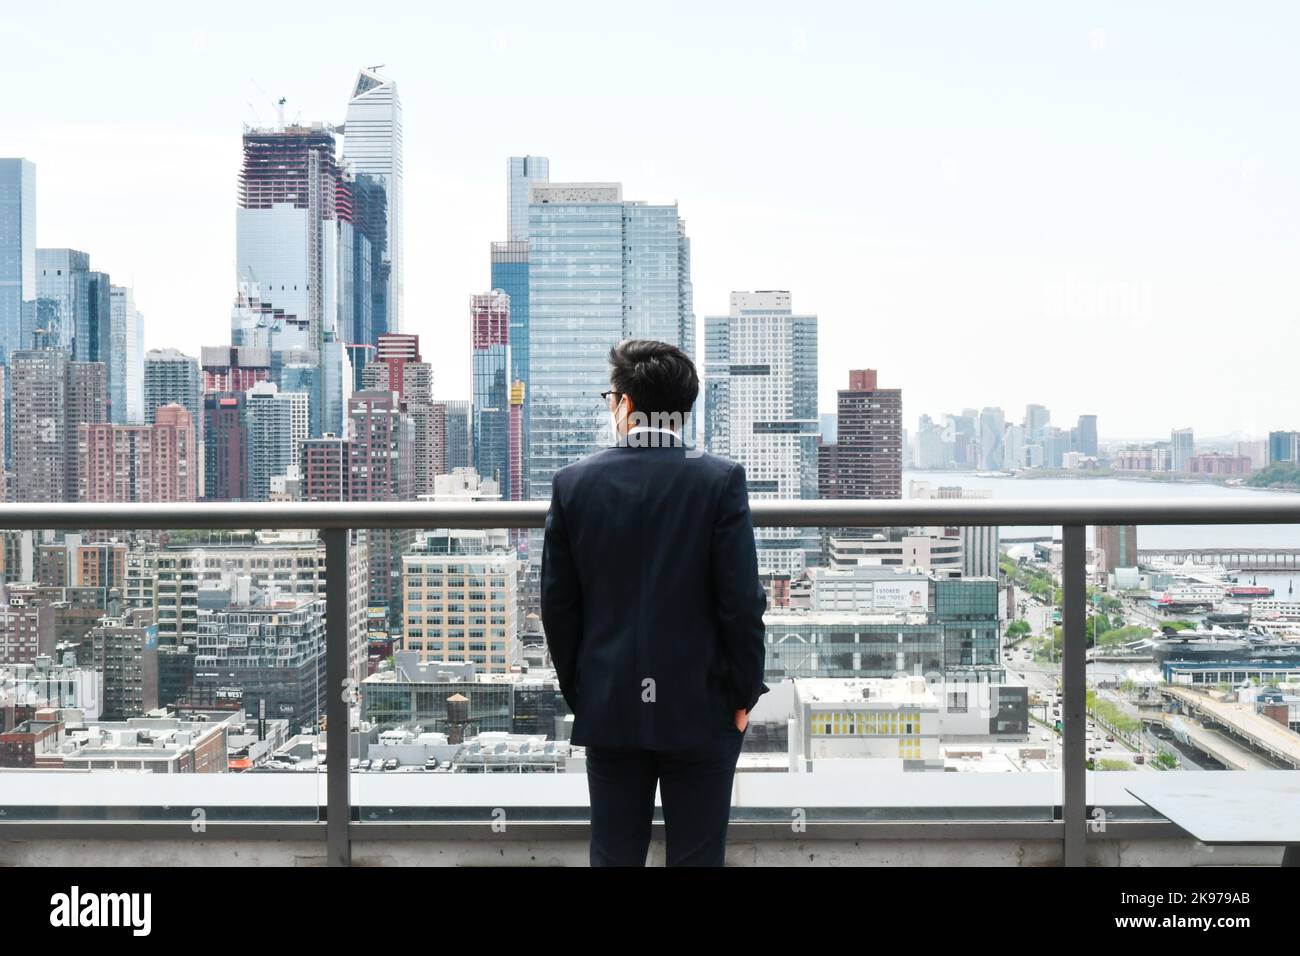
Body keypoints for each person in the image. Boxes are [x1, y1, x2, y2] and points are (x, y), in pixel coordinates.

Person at [540, 338, 769, 867]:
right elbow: (741, 603)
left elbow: (559, 607)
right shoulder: (719, 479)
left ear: (622, 403)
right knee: (696, 856)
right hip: (703, 705)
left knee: (615, 855)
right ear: (683, 409)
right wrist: (742, 697)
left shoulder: (573, 483)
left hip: (612, 700)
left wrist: (584, 691)